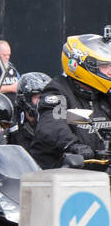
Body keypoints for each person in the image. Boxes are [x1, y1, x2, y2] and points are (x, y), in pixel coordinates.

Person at [30, 33, 111, 169]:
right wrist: (73, 145)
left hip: (99, 174)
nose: (109, 71)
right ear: (84, 65)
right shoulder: (57, 90)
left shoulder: (104, 95)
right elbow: (52, 123)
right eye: (104, 66)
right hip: (60, 173)